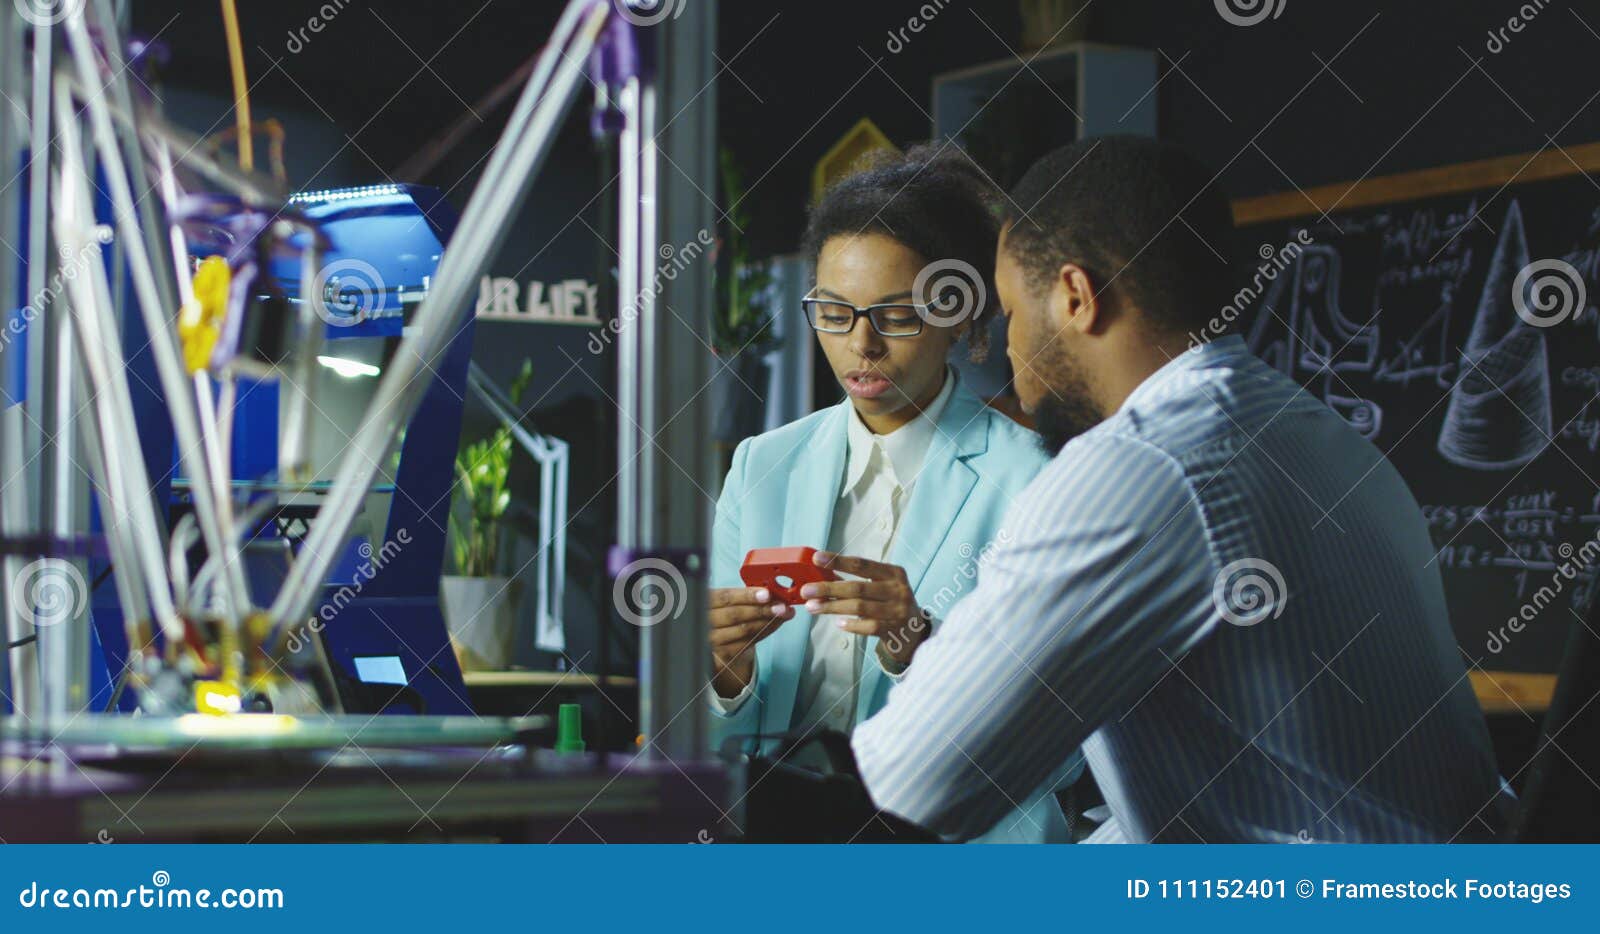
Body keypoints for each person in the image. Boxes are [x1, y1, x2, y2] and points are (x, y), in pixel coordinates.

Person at [852, 136, 1515, 843]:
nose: (1008, 348)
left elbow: (917, 786)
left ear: (1076, 297)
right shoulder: (1313, 432)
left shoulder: (1138, 465)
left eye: (1012, 313)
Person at [707, 147, 1084, 843]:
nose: (863, 344)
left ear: (959, 316)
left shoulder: (1036, 478)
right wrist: (727, 675)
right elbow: (716, 739)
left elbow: (1066, 751)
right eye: (834, 312)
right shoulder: (764, 465)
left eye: (896, 315)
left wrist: (920, 648)